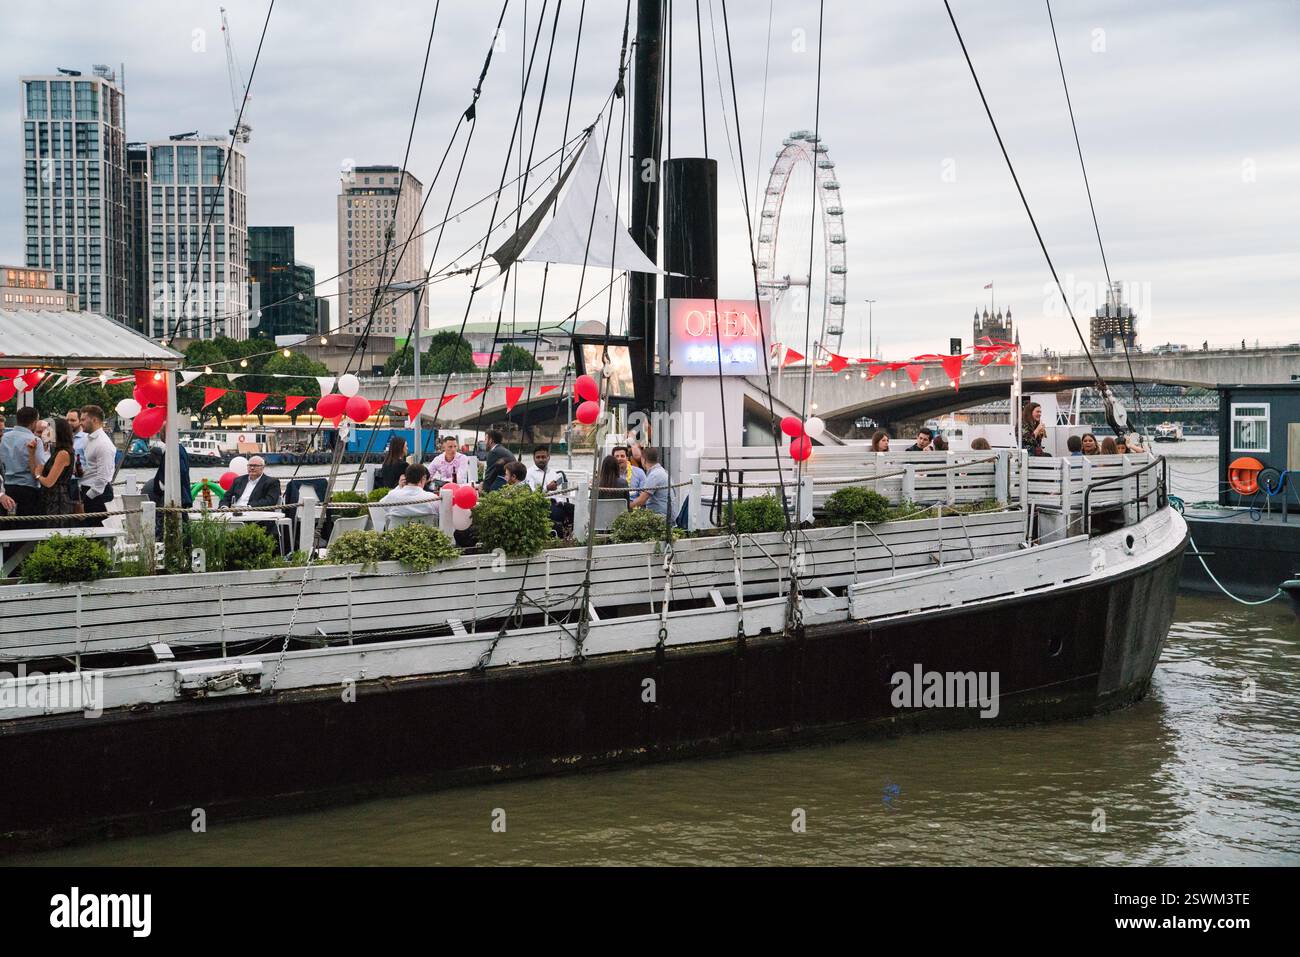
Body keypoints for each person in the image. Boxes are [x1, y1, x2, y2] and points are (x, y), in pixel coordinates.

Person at [0, 406, 45, 522]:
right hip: (29, 488)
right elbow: (39, 470)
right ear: (34, 422)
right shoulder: (35, 441)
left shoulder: (5, 438)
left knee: (9, 526)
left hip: (8, 487)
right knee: (28, 527)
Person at [28, 414, 77, 520]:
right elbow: (37, 471)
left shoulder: (63, 453)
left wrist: (38, 476)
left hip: (57, 500)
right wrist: (31, 454)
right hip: (49, 498)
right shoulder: (57, 451)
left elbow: (49, 482)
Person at [78, 405, 116, 527]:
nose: (81, 423)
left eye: (83, 419)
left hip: (98, 494)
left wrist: (88, 496)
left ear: (94, 420)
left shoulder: (103, 444)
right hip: (90, 490)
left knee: (97, 531)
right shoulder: (89, 439)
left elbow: (103, 477)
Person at [376, 464, 438, 530]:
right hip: (426, 538)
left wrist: (399, 488)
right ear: (423, 478)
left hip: (396, 538)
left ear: (406, 478)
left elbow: (381, 505)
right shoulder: (432, 498)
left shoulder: (393, 496)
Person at [630, 446, 671, 517]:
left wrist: (625, 506)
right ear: (657, 459)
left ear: (643, 460)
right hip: (667, 515)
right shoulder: (662, 471)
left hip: (661, 518)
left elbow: (642, 500)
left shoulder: (654, 475)